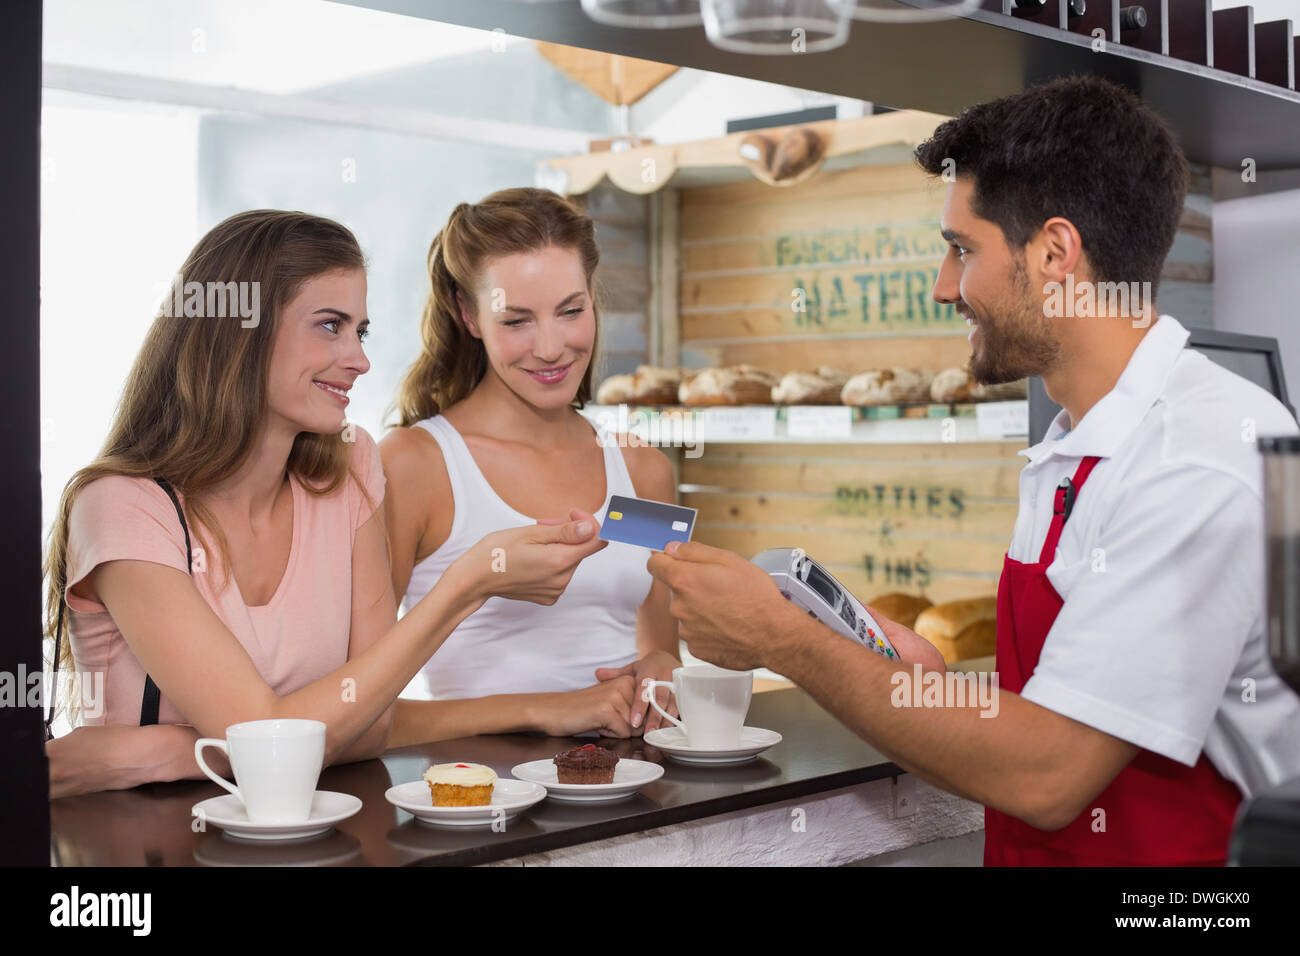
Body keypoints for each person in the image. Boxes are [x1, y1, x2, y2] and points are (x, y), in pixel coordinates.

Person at [644, 75, 1300, 866]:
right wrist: (906, 676)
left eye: (962, 250)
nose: (943, 286)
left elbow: (1048, 772)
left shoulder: (1195, 459)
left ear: (1055, 253)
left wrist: (782, 638)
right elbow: (1059, 709)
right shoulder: (1075, 440)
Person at [44, 209, 606, 798]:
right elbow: (271, 738)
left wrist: (160, 752)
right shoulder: (123, 508)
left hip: (310, 838)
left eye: (359, 331)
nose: (359, 359)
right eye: (330, 325)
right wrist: (464, 587)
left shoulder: (348, 469)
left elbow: (370, 725)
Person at [380, 188, 681, 746]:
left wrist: (662, 668)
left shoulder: (644, 470)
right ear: (469, 316)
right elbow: (359, 712)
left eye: (571, 311)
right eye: (516, 320)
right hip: (474, 807)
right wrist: (546, 709)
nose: (551, 347)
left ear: (594, 297)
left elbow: (659, 645)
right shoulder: (414, 466)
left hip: (633, 793)